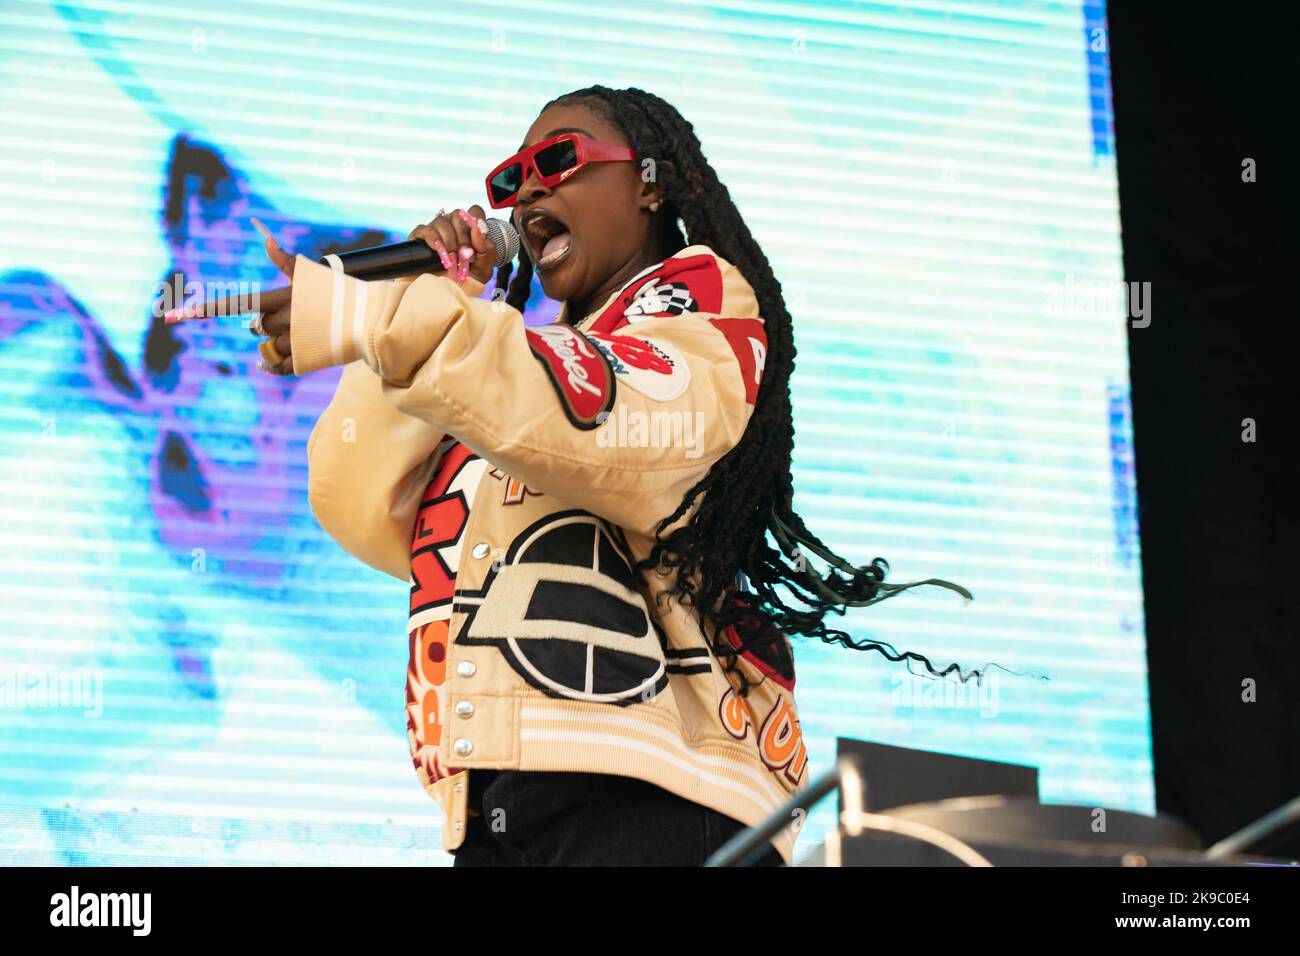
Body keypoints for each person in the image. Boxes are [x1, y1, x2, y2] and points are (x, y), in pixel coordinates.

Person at [220, 85, 973, 866]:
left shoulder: (695, 299)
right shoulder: (507, 374)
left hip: (656, 794)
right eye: (509, 182)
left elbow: (617, 425)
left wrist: (387, 321)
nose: (528, 192)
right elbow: (361, 501)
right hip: (498, 799)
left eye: (557, 161)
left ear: (650, 181)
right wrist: (422, 298)